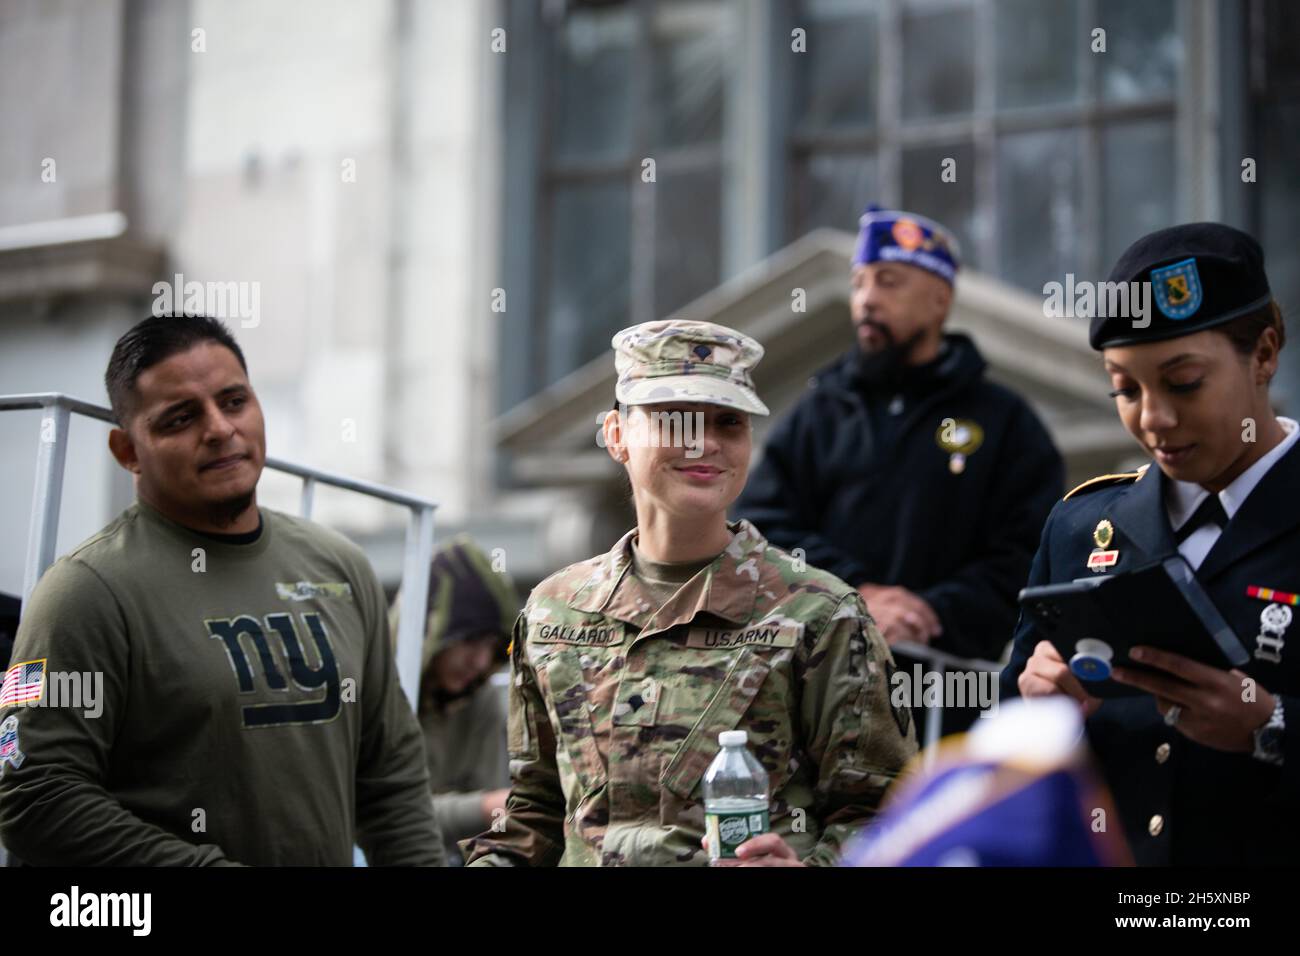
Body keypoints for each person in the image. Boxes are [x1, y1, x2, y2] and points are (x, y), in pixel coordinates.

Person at [461, 320, 916, 867]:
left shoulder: (819, 615)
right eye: (675, 420)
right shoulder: (553, 611)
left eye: (729, 422)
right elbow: (534, 811)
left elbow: (887, 814)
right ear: (615, 435)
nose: (706, 444)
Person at [0, 314, 442, 866]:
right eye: (180, 418)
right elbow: (34, 795)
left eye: (234, 401)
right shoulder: (84, 594)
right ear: (127, 451)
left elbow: (390, 776)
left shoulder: (341, 567)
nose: (218, 428)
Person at [1001, 222, 1298, 865]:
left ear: (1266, 352)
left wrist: (1272, 727)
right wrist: (1035, 708)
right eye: (1125, 389)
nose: (1153, 420)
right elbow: (999, 743)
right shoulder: (1082, 526)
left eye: (1184, 382)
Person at [735, 206, 1064, 732]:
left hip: (948, 710)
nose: (866, 298)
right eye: (859, 283)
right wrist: (855, 595)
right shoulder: (818, 411)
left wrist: (930, 615)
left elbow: (1033, 551)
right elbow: (759, 529)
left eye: (888, 282)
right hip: (813, 704)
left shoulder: (1005, 421)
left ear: (940, 300)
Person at [390, 536, 515, 863]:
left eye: (492, 646)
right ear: (428, 631)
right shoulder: (374, 693)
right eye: (471, 641)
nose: (481, 662)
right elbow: (377, 816)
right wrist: (483, 807)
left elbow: (497, 823)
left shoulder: (480, 697)